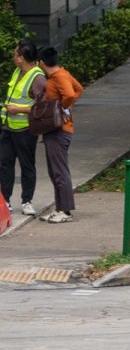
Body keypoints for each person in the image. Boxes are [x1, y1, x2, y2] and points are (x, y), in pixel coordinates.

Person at [36, 46, 82, 223]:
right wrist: (66, 106)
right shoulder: (63, 74)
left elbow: (71, 93)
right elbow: (79, 88)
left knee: (59, 171)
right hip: (56, 129)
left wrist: (62, 107)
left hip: (58, 130)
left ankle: (66, 211)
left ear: (42, 62)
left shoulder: (58, 77)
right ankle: (59, 208)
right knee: (55, 170)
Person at [1, 41, 45, 218]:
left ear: (21, 58)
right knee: (5, 164)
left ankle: (27, 201)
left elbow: (42, 108)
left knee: (27, 165)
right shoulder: (18, 71)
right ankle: (5, 200)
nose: (13, 57)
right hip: (8, 127)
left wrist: (18, 110)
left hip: (25, 130)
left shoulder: (37, 78)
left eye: (15, 54)